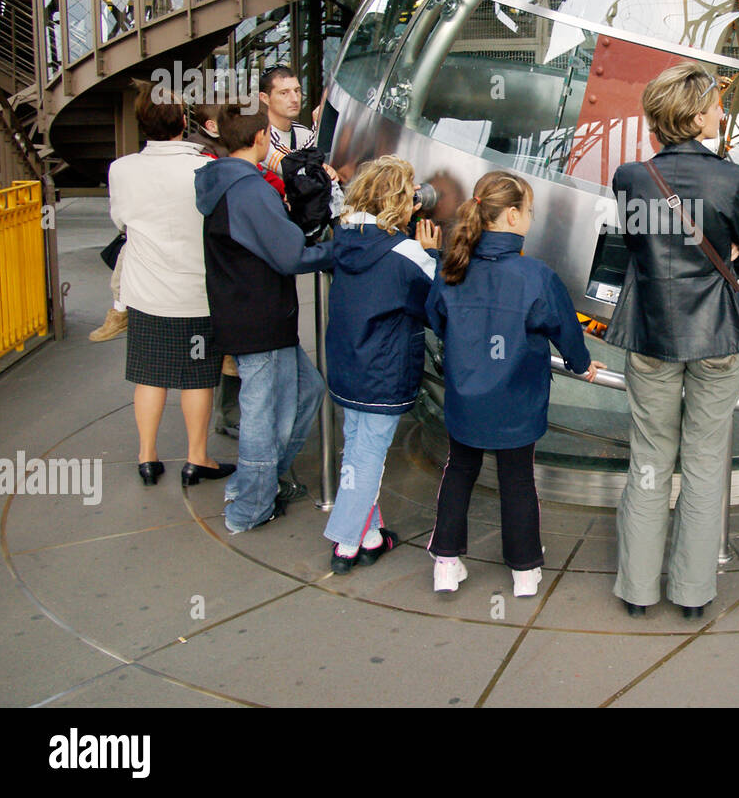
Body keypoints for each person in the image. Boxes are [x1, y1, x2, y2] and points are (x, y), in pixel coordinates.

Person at [605, 61, 739, 620]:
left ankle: (637, 590)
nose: (722, 111)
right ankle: (692, 593)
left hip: (650, 334)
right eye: (716, 104)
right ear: (694, 116)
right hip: (716, 335)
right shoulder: (732, 177)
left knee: (648, 460)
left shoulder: (631, 177)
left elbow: (638, 247)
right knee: (705, 461)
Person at [425, 170, 601, 598]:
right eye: (528, 212)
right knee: (518, 479)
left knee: (459, 470)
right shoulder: (536, 276)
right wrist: (581, 365)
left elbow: (434, 316)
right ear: (508, 216)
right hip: (517, 398)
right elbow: (567, 330)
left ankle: (445, 565)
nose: (531, 219)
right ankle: (524, 570)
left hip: (465, 396)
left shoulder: (451, 267)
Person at [195, 101, 333, 533]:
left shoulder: (222, 181)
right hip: (260, 318)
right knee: (262, 412)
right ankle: (250, 507)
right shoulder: (250, 190)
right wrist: (341, 248)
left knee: (307, 390)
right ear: (260, 139)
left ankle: (257, 482)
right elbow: (290, 254)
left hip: (248, 312)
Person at [107, 83, 233, 488]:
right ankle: (197, 458)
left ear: (142, 124)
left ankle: (147, 457)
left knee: (150, 374)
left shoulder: (121, 169)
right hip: (196, 292)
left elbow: (121, 221)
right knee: (197, 378)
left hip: (146, 290)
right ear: (184, 121)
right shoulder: (206, 167)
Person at [323, 156, 440, 573]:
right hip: (384, 373)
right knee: (367, 456)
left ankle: (371, 535)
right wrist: (435, 255)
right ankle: (346, 543)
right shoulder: (406, 254)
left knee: (355, 450)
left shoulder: (344, 239)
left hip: (346, 365)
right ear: (396, 202)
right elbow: (438, 306)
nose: (416, 204)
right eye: (411, 196)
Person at [259, 66, 316, 178]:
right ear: (264, 98)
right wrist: (319, 127)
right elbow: (291, 166)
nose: (294, 99)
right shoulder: (260, 134)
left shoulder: (305, 133)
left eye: (297, 91)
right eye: (284, 93)